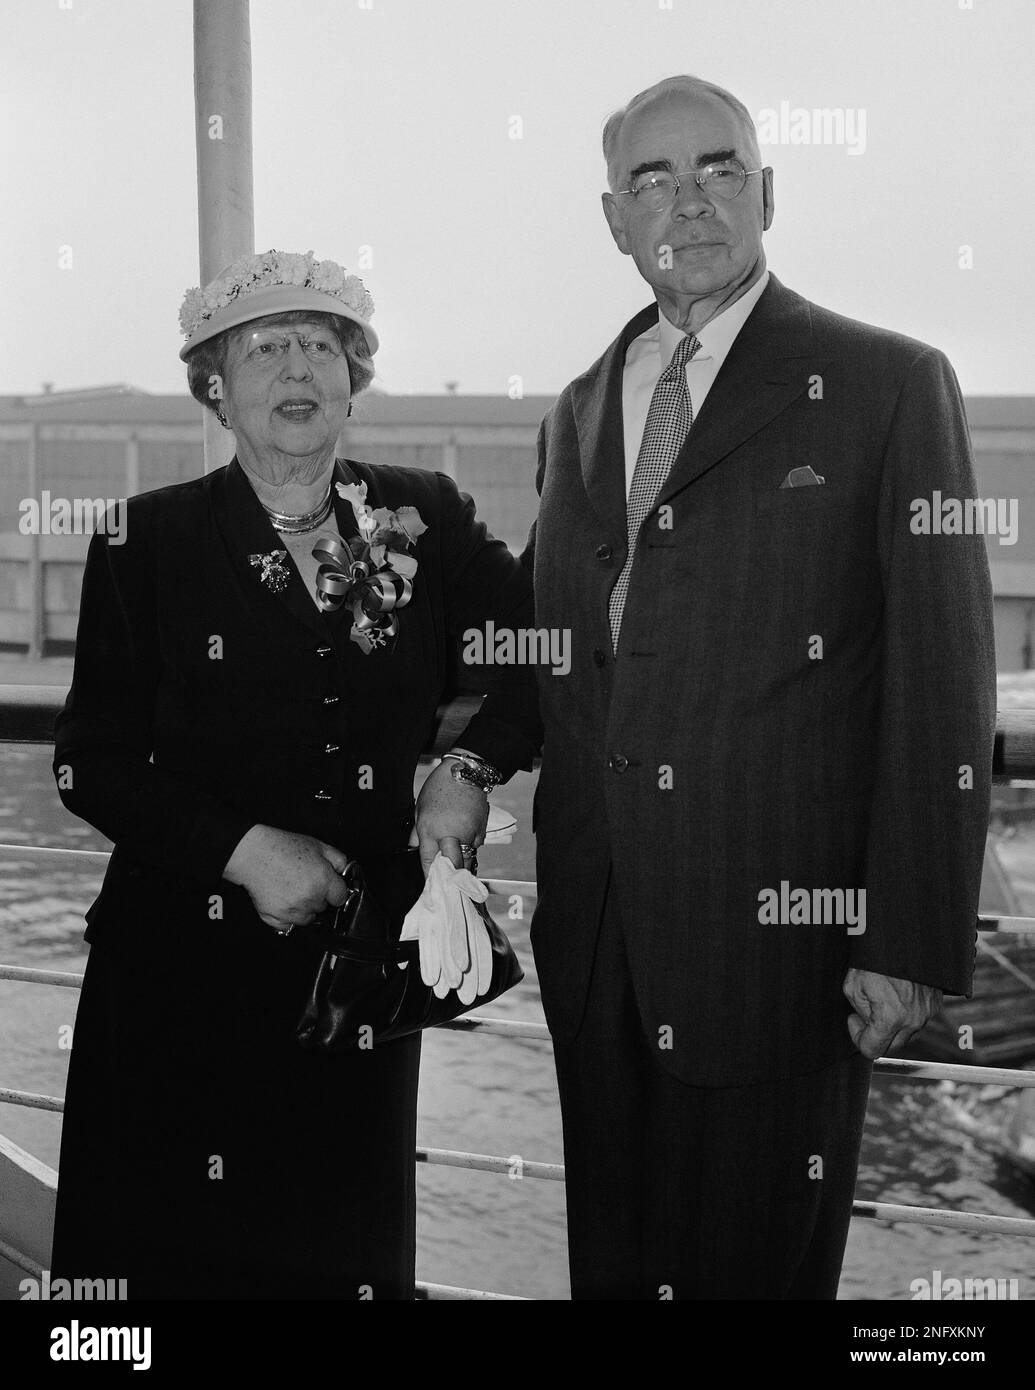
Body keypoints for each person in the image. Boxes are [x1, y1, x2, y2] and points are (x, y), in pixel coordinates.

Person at [523, 76, 996, 1299]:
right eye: (653, 180)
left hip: (781, 955)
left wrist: (908, 938)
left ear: (768, 192)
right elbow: (555, 652)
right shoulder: (575, 412)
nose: (689, 201)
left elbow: (945, 677)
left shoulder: (887, 384)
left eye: (719, 169)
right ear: (613, 219)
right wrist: (463, 763)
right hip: (597, 944)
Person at [50, 248, 540, 1300]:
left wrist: (470, 761)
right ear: (216, 387)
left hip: (351, 972)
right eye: (265, 348)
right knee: (159, 1256)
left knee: (334, 1249)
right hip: (176, 968)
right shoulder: (148, 539)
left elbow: (541, 651)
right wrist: (241, 851)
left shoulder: (425, 516)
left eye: (322, 344)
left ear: (353, 377)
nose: (298, 366)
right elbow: (89, 765)